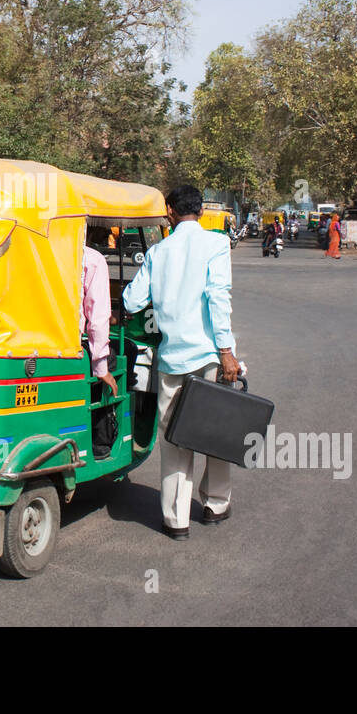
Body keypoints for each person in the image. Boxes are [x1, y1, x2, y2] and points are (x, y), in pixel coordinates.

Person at [123, 184, 240, 541]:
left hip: (172, 359)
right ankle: (215, 504)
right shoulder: (216, 244)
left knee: (174, 438)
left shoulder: (158, 252)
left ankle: (176, 519)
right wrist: (227, 351)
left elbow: (131, 302)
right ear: (201, 212)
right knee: (215, 431)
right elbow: (218, 297)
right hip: (208, 357)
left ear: (170, 213)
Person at [80, 230, 117, 397]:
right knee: (116, 355)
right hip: (69, 347)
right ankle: (106, 419)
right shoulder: (92, 258)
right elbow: (97, 320)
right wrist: (101, 369)